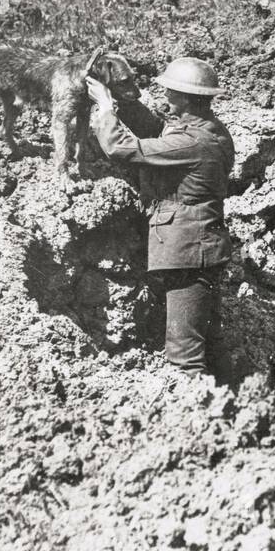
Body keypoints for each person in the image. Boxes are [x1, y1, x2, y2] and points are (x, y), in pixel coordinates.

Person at [86, 57, 235, 376]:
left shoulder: (192, 141)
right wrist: (122, 101)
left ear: (185, 99)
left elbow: (124, 149)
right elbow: (159, 128)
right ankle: (241, 413)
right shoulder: (207, 130)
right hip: (200, 249)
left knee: (185, 356)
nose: (165, 98)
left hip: (187, 253)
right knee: (210, 342)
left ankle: (196, 420)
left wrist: (105, 108)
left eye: (171, 94)